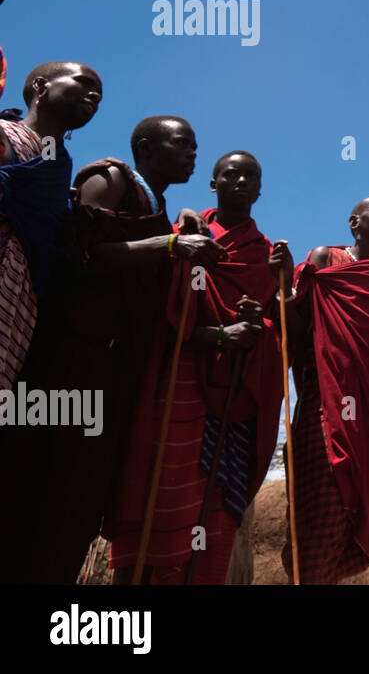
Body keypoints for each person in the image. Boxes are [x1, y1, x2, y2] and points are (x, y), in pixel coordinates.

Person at [0, 116, 226, 583]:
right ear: (146, 146)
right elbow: (82, 257)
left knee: (81, 503)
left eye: (195, 146)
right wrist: (169, 243)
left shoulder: (158, 207)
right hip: (70, 361)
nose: (193, 153)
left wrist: (176, 231)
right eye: (183, 143)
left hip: (117, 371)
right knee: (40, 485)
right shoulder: (109, 179)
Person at [105, 151, 293, 584]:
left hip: (235, 400)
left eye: (251, 176)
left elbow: (280, 329)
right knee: (161, 491)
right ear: (214, 184)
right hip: (181, 380)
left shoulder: (266, 256)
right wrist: (216, 335)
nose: (241, 181)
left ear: (261, 189)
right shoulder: (187, 235)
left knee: (217, 505)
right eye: (231, 174)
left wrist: (258, 322)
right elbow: (159, 308)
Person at [279, 196, 369, 584]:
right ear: (353, 222)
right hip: (323, 403)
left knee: (349, 508)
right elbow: (294, 330)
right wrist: (282, 287)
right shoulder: (325, 259)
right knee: (322, 500)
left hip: (366, 415)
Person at [0, 61, 102, 390]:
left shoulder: (59, 166)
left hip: (17, 309)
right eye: (83, 83)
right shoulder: (5, 135)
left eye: (99, 95)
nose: (95, 94)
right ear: (42, 87)